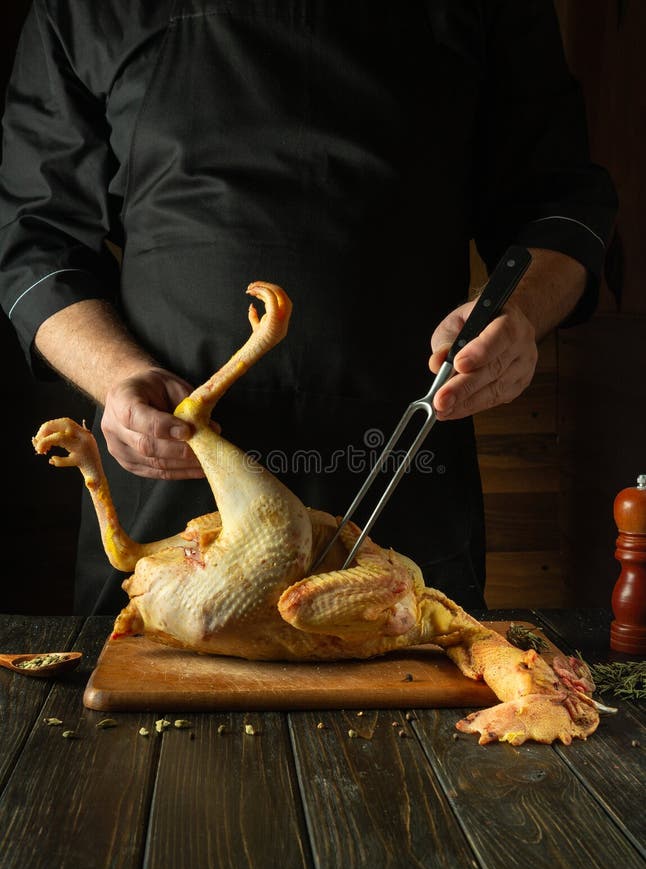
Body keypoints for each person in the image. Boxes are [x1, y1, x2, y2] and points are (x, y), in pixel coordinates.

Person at [0, 1, 617, 615]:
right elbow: (38, 242)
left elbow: (558, 207)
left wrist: (519, 313)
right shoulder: (81, 9)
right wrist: (115, 379)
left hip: (399, 472)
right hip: (173, 484)